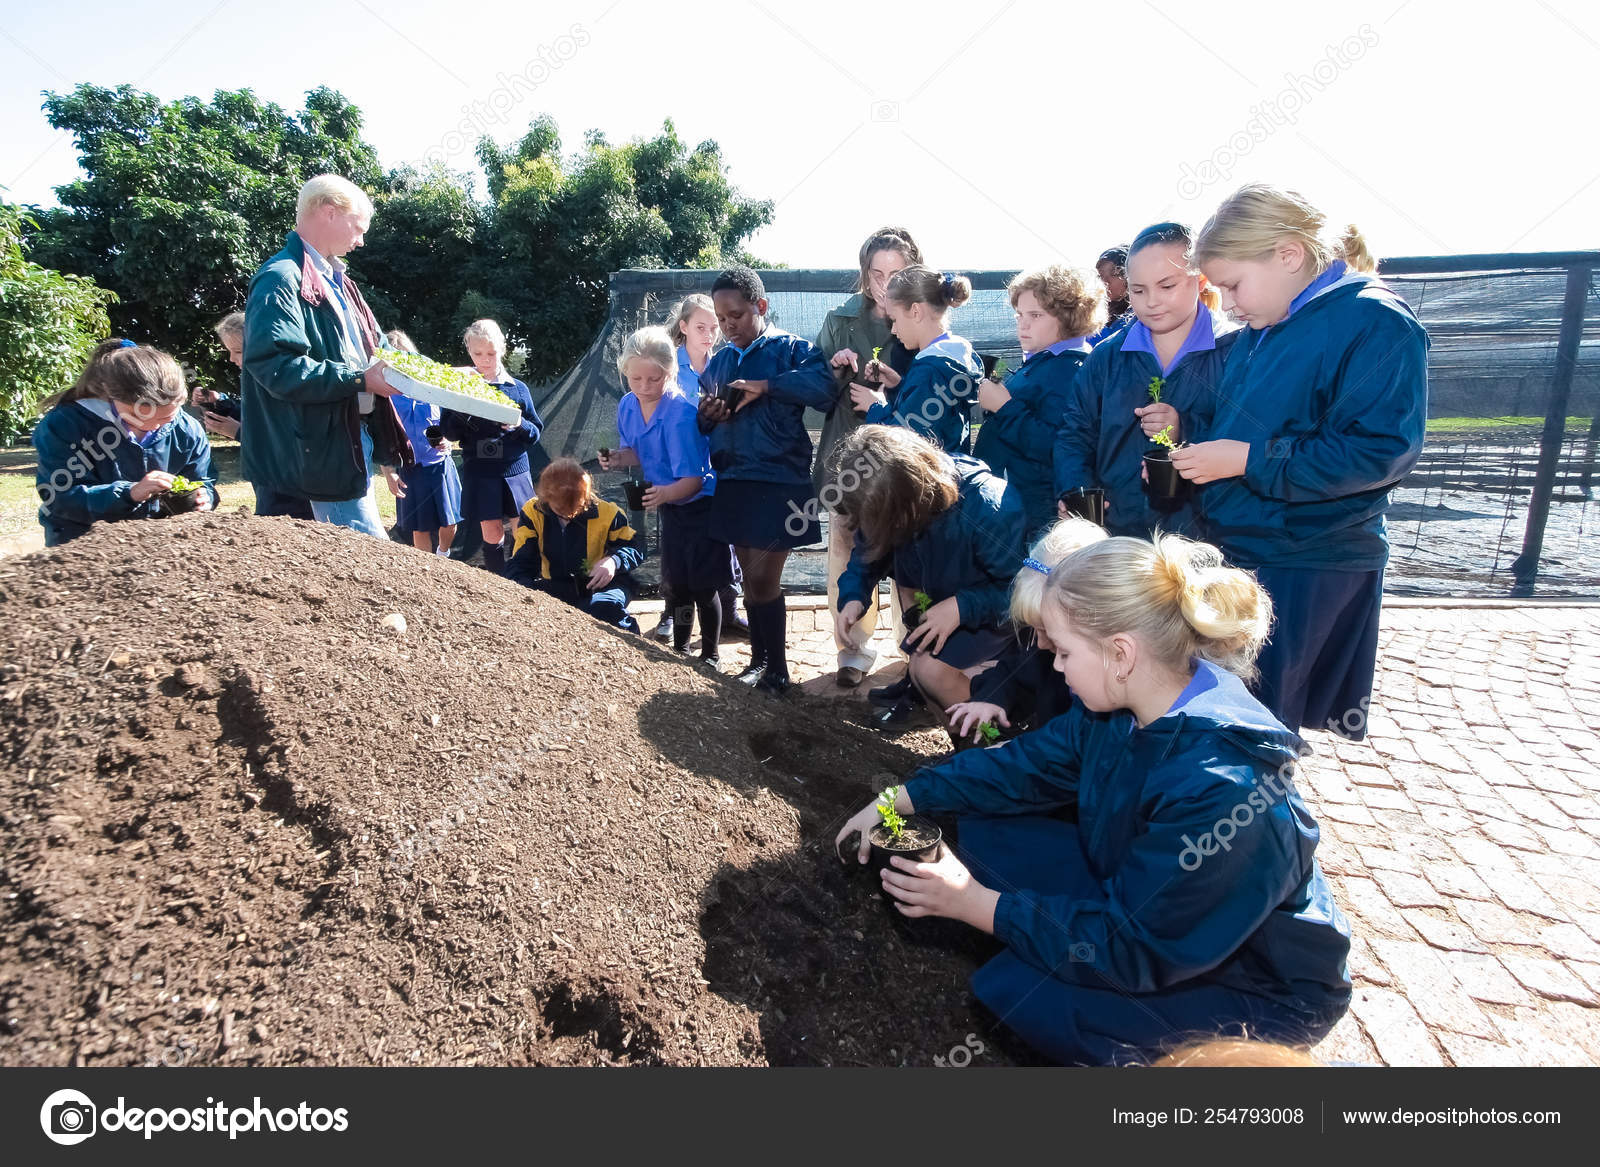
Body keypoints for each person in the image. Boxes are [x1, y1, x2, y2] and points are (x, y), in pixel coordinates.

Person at [834, 534, 1352, 1066]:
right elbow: (1027, 766)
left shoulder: (1222, 789)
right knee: (987, 834)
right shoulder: (1124, 703)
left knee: (1026, 994)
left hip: (1260, 985)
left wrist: (977, 905)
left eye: (1063, 651)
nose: (1055, 666)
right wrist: (908, 794)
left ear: (1120, 653)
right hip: (1157, 898)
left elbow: (1133, 948)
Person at [1182, 184, 1429, 739]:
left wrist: (1250, 460)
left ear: (1289, 255)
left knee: (1260, 719)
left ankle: (1261, 794)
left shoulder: (1376, 321)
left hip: (1307, 555)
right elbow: (1256, 420)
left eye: (1232, 285)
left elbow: (1380, 450)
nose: (1228, 305)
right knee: (1226, 703)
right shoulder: (1268, 322)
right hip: (1247, 544)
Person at [834, 426, 1025, 742]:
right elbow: (867, 553)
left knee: (930, 671)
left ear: (911, 493)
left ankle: (997, 747)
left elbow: (1019, 592)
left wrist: (962, 607)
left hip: (996, 614)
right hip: (947, 606)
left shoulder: (987, 506)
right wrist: (853, 596)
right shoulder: (890, 498)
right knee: (920, 670)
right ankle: (964, 748)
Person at [240, 173, 405, 538]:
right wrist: (360, 379)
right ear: (330, 212)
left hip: (342, 442)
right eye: (358, 228)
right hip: (314, 453)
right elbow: (276, 366)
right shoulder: (281, 278)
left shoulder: (339, 281)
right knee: (362, 556)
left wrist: (445, 378)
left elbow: (381, 351)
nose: (361, 241)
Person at [696, 265, 835, 695]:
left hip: (780, 482)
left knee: (761, 579)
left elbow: (824, 389)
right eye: (721, 318)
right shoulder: (720, 362)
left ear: (760, 305)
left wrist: (767, 386)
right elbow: (705, 420)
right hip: (734, 480)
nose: (728, 325)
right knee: (750, 579)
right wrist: (707, 417)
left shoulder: (791, 349)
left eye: (736, 315)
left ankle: (777, 670)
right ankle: (759, 662)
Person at [1054, 222, 1238, 539]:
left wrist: (1185, 430)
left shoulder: (1236, 352)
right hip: (1118, 538)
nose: (1151, 301)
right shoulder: (1106, 357)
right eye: (1138, 290)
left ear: (1200, 280)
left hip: (1203, 541)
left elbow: (1251, 442)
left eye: (1167, 286)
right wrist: (1075, 490)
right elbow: (1075, 434)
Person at [814, 227, 922, 687]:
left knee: (910, 550)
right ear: (864, 273)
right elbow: (816, 392)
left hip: (904, 460)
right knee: (845, 544)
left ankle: (915, 646)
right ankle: (853, 648)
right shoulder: (840, 320)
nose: (884, 283)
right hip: (848, 459)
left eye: (895, 274)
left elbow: (931, 388)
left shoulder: (922, 315)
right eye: (876, 273)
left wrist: (896, 388)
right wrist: (834, 369)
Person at [600, 327, 727, 669]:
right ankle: (681, 649)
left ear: (669, 373)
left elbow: (694, 480)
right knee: (678, 581)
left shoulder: (680, 415)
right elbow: (637, 451)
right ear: (625, 372)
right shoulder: (628, 405)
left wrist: (665, 493)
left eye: (653, 379)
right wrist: (617, 458)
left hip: (700, 505)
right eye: (635, 378)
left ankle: (711, 655)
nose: (644, 386)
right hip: (670, 505)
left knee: (703, 584)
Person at [33, 343, 218, 546]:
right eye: (136, 417)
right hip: (83, 545)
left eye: (166, 419)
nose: (152, 426)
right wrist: (129, 494)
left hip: (162, 547)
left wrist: (204, 497)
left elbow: (203, 480)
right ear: (110, 394)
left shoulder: (187, 429)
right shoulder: (66, 424)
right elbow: (59, 496)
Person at [945, 517, 1107, 746]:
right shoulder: (1047, 655)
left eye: (1047, 632)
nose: (1040, 644)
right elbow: (1013, 673)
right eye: (1035, 630)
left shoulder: (1109, 704)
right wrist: (991, 699)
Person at [974, 265, 1105, 540]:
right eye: (1019, 315)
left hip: (1037, 515)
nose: (1023, 324)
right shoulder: (1046, 361)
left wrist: (1004, 408)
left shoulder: (1069, 370)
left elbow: (1059, 445)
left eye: (1035, 315)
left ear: (1069, 316)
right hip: (1018, 509)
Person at [661, 293, 745, 644]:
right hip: (679, 476)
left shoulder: (725, 364)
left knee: (723, 545)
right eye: (700, 327)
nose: (710, 334)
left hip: (718, 474)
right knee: (678, 549)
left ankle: (729, 613)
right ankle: (672, 613)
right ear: (683, 327)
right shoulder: (666, 366)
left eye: (714, 327)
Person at [441, 318, 545, 575]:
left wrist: (518, 424)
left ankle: (525, 580)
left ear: (502, 349)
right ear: (468, 350)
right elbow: (449, 433)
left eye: (491, 353)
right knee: (491, 530)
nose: (485, 360)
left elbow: (535, 433)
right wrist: (462, 405)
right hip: (480, 471)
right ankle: (498, 584)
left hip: (515, 472)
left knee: (523, 528)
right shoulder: (458, 389)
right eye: (478, 354)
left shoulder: (518, 389)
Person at [193, 311, 316, 521]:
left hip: (291, 492)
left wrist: (238, 432)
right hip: (268, 485)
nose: (231, 359)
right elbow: (254, 414)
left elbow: (286, 438)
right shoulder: (257, 380)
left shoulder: (283, 383)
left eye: (238, 351)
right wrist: (220, 402)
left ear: (261, 347)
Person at [505, 457, 644, 632]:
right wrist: (524, 591)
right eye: (560, 509)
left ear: (586, 495)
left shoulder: (609, 513)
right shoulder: (533, 512)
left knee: (601, 608)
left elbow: (635, 547)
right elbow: (521, 560)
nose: (568, 514)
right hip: (557, 584)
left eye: (575, 507)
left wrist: (613, 561)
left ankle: (632, 640)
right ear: (546, 496)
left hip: (605, 586)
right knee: (533, 604)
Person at [851, 267, 981, 454]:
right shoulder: (951, 362)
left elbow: (903, 443)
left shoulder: (930, 371)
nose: (893, 330)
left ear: (915, 311)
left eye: (894, 319)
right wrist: (898, 384)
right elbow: (926, 415)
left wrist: (875, 406)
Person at [380, 329, 462, 557]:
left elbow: (449, 421)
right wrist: (389, 473)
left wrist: (447, 440)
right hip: (410, 468)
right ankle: (428, 567)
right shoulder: (385, 394)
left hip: (440, 465)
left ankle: (442, 555)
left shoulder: (432, 386)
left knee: (450, 522)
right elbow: (381, 436)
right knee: (420, 527)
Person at [1088, 244, 1133, 345]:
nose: (1105, 281)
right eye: (1100, 276)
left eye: (1114, 274)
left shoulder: (1138, 318)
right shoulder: (1090, 314)